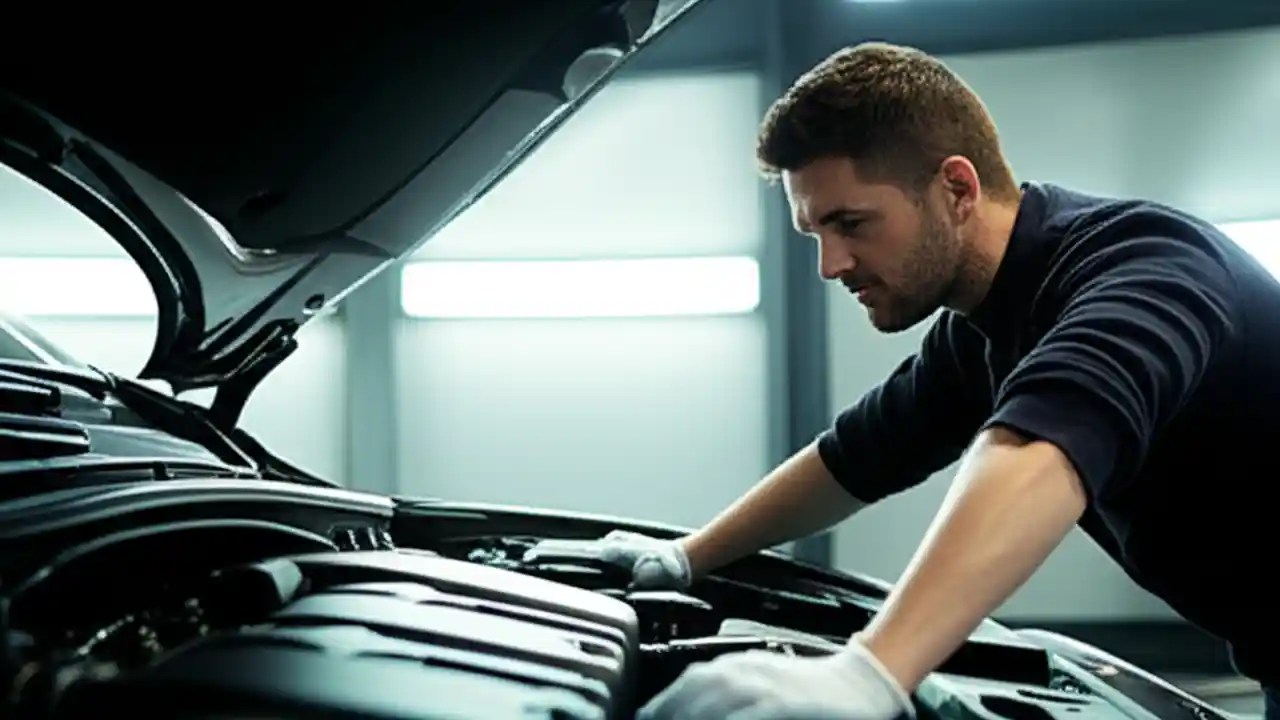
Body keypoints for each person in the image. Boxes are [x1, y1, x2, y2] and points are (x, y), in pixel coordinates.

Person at [597, 41, 1279, 720]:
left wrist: (872, 671)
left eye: (851, 224)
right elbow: (854, 458)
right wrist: (685, 558)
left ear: (956, 189)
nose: (831, 264)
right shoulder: (982, 329)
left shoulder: (1146, 271)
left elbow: (1043, 447)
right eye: (815, 234)